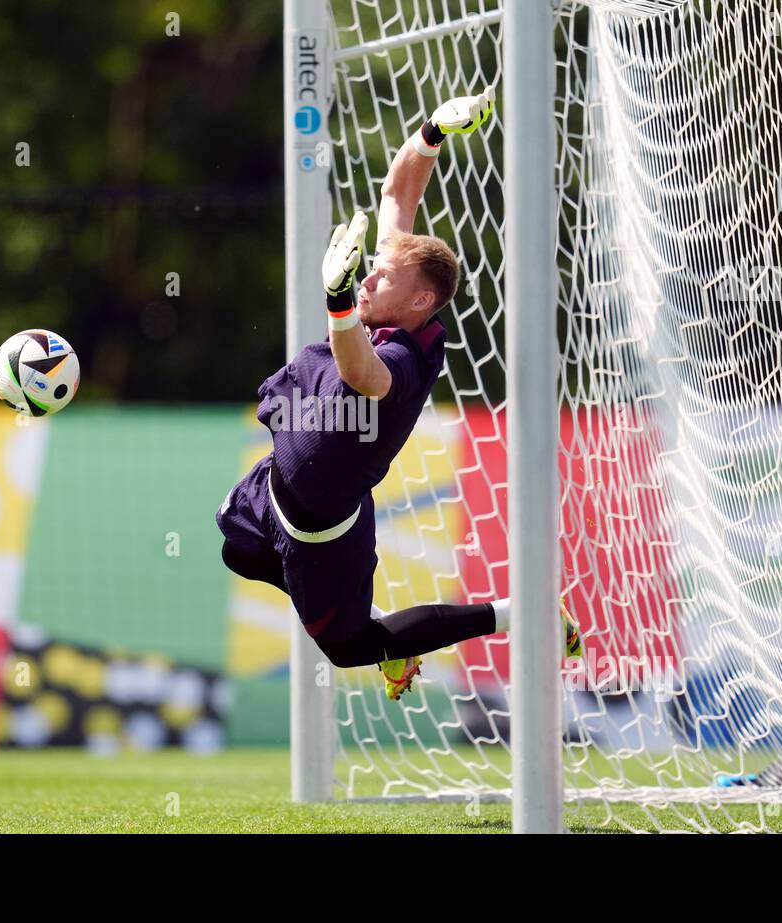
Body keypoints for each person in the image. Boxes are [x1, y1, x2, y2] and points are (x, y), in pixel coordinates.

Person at [217, 87, 580, 701]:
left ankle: (528, 613)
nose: (369, 274)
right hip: (274, 489)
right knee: (236, 549)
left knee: (357, 646)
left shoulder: (406, 357)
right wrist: (433, 130)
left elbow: (362, 375)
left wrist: (337, 306)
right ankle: (367, 614)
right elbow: (396, 195)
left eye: (383, 275)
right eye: (372, 268)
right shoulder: (392, 299)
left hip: (322, 531)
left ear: (418, 301)